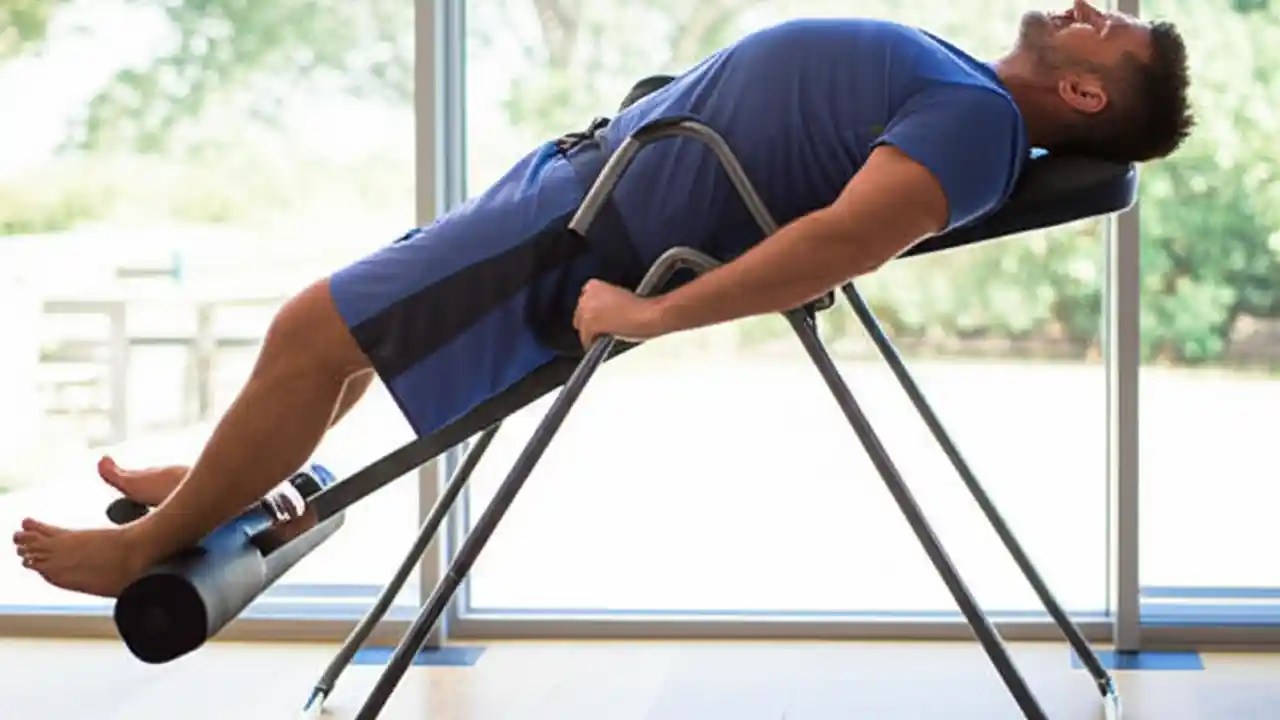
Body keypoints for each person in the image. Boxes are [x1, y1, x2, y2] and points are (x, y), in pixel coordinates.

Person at [13, 1, 1193, 597]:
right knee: (351, 340)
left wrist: (653, 315)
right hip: (574, 189)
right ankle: (220, 479)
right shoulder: (964, 87)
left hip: (589, 229)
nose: (1084, 3)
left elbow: (842, 243)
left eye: (1106, 29)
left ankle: (150, 547)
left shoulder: (976, 126)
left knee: (312, 330)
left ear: (1086, 94)